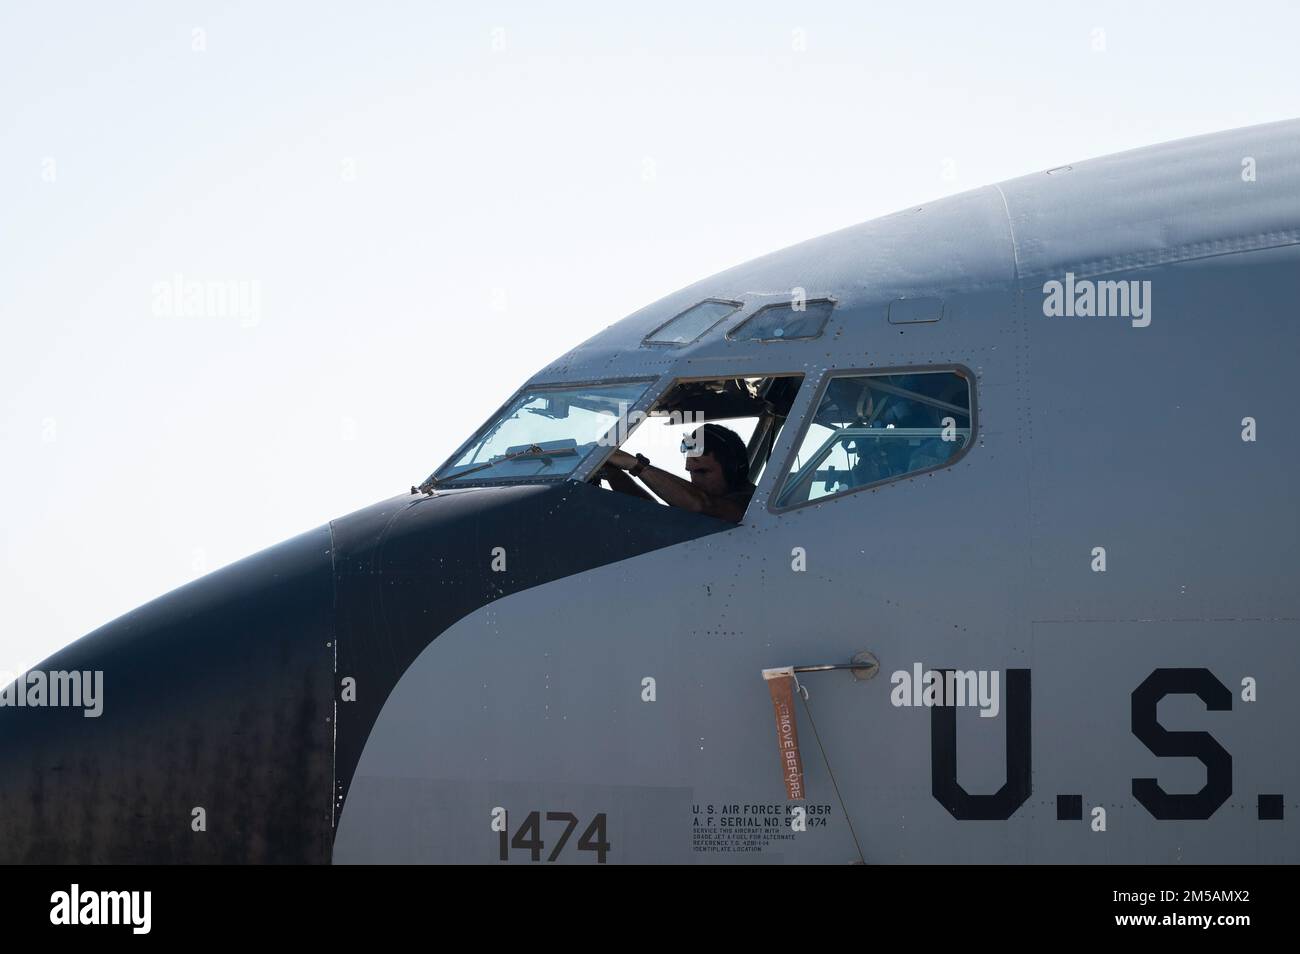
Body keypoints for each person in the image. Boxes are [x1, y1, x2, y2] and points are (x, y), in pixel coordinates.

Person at [600, 422, 754, 523]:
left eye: (702, 471)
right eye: (691, 472)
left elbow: (703, 505)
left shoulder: (753, 504)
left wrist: (636, 465)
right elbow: (655, 515)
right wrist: (613, 473)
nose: (695, 481)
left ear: (734, 469)